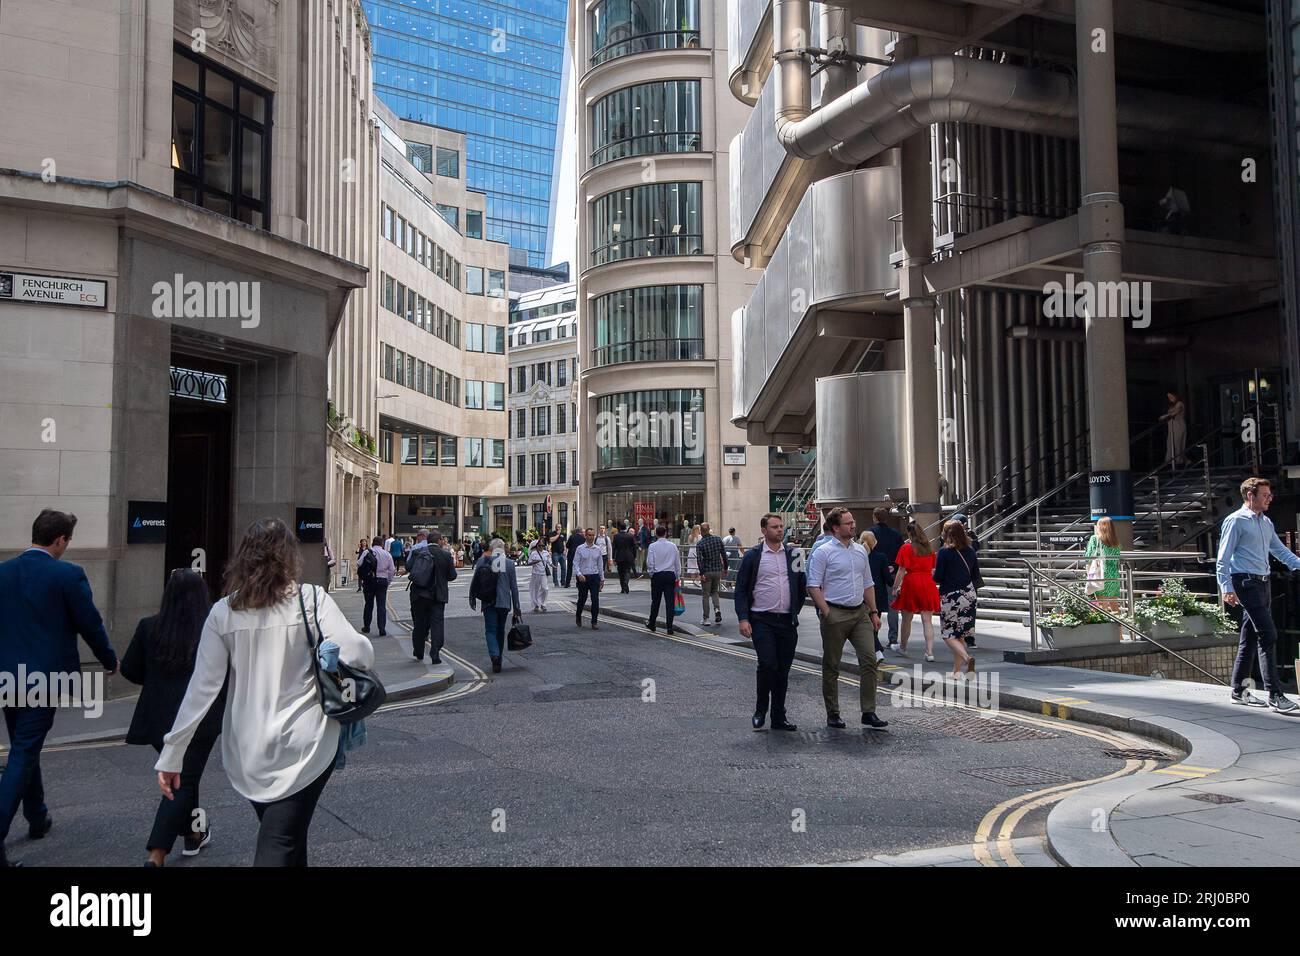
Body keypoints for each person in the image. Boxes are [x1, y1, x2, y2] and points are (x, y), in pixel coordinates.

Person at [157, 517, 374, 867]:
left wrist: (172, 753)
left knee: (284, 836)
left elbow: (201, 689)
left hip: (247, 750)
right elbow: (361, 655)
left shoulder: (222, 613)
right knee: (283, 842)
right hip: (307, 746)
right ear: (289, 557)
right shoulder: (312, 600)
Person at [0, 509, 119, 868]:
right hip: (44, 679)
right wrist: (108, 658)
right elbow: (90, 623)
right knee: (23, 752)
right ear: (60, 540)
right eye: (68, 540)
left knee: (24, 744)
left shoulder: (3, 572)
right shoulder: (67, 574)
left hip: (7, 677)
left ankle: (37, 815)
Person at [123, 569, 225, 866]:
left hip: (158, 719)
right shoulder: (210, 630)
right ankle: (156, 855)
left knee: (183, 779)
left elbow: (130, 670)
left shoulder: (148, 627)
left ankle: (193, 835)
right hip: (200, 720)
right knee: (183, 782)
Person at [1216, 477, 1300, 713]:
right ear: (1250, 496)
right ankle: (1275, 694)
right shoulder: (1235, 521)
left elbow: (1280, 550)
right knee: (1268, 634)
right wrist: (1226, 587)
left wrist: (1298, 564)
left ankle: (1238, 690)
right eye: (1265, 495)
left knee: (1250, 637)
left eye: (1270, 494)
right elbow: (1222, 558)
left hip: (1264, 583)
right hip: (1244, 581)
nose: (1269, 498)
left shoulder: (1266, 523)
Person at [807, 509, 888, 731]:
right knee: (832, 665)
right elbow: (812, 585)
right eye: (848, 523)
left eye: (853, 522)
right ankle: (833, 713)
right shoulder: (823, 552)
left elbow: (867, 583)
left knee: (870, 661)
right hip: (835, 613)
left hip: (860, 613)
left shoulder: (861, 551)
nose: (853, 526)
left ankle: (868, 712)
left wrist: (873, 612)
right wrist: (826, 612)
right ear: (835, 527)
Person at [735, 514, 806, 732]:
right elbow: (741, 589)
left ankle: (778, 716)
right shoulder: (753, 556)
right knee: (768, 665)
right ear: (764, 530)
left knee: (782, 671)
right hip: (762, 620)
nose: (780, 530)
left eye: (781, 526)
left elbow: (801, 587)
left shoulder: (794, 554)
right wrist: (743, 618)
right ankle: (760, 710)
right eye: (775, 527)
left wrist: (794, 611)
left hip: (786, 621)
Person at [933, 521, 979, 679]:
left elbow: (938, 577)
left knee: (948, 634)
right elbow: (975, 575)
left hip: (951, 597)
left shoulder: (944, 553)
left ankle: (967, 658)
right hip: (969, 595)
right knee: (960, 634)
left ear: (946, 534)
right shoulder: (971, 551)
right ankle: (956, 672)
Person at [468, 538, 521, 673]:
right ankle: (499, 659)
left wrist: (472, 598)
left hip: (488, 601)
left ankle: (495, 656)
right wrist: (517, 607)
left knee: (490, 630)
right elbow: (514, 588)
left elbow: (475, 582)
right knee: (500, 630)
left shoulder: (483, 561)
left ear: (491, 549)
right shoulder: (509, 563)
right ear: (503, 549)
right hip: (503, 603)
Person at [892, 523, 941, 661]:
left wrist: (895, 587)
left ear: (909, 534)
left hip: (911, 583)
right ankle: (929, 652)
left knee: (907, 619)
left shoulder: (906, 548)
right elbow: (932, 569)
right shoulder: (929, 548)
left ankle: (903, 647)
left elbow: (901, 570)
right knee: (927, 620)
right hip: (927, 583)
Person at [407, 531, 457, 664]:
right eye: (442, 540)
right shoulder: (445, 555)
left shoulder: (419, 552)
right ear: (439, 540)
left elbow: (408, 567)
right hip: (437, 595)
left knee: (419, 623)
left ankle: (418, 650)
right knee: (437, 624)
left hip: (419, 594)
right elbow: (452, 576)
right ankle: (435, 653)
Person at [867, 509, 903, 648]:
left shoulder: (870, 533)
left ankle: (873, 637)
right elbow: (900, 555)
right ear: (886, 518)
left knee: (873, 606)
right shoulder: (895, 534)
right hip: (891, 573)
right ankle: (893, 638)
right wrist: (893, 566)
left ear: (875, 517)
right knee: (892, 606)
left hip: (873, 575)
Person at [645, 525, 682, 635]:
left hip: (657, 575)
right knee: (670, 602)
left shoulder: (652, 546)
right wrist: (677, 576)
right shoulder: (673, 546)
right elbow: (677, 562)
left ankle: (652, 624)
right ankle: (669, 627)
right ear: (665, 533)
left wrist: (652, 574)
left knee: (655, 601)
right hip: (670, 575)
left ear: (656, 534)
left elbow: (650, 562)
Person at [859, 530, 888, 665]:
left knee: (869, 625)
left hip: (862, 595)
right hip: (878, 595)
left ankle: (875, 650)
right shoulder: (881, 557)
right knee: (874, 623)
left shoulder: (858, 555)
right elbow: (887, 579)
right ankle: (876, 650)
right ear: (874, 542)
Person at [1084, 516, 1123, 614]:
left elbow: (1088, 557)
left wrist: (1089, 574)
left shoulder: (1095, 539)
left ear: (1100, 527)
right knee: (1114, 606)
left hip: (1100, 576)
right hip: (1113, 576)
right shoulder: (1116, 542)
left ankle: (1104, 629)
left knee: (1102, 607)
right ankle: (1120, 629)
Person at [359, 535, 395, 636]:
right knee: (381, 606)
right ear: (382, 544)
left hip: (369, 581)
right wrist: (389, 581)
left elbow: (359, 563)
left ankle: (366, 627)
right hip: (382, 581)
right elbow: (392, 570)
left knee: (368, 604)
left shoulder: (367, 552)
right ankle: (382, 628)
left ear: (372, 543)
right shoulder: (387, 554)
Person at [695, 522, 728, 626]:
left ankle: (706, 619)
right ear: (709, 529)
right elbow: (724, 554)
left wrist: (701, 573)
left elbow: (699, 560)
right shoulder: (718, 539)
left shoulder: (700, 543)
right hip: (718, 570)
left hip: (707, 571)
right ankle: (717, 610)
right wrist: (725, 568)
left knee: (705, 595)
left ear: (701, 530)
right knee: (714, 592)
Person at [572, 528, 606, 629]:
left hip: (594, 576)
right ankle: (578, 615)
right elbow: (575, 563)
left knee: (595, 599)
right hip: (583, 577)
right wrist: (579, 574)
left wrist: (602, 579)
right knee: (582, 599)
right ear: (585, 536)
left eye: (592, 535)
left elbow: (600, 565)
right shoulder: (580, 548)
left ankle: (594, 622)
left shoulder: (598, 549)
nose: (591, 537)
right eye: (589, 535)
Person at [1160, 388, 1188, 469]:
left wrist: (1165, 416)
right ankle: (1172, 462)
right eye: (1168, 397)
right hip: (1172, 427)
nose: (1170, 398)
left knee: (1177, 444)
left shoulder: (1179, 404)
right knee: (1171, 444)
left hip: (1178, 426)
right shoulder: (1171, 406)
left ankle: (1179, 462)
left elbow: (1174, 413)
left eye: (1171, 396)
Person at [527, 537, 552, 612]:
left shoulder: (546, 553)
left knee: (545, 588)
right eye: (539, 546)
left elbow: (549, 562)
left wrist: (553, 566)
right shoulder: (533, 553)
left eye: (542, 546)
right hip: (535, 574)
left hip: (543, 573)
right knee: (535, 590)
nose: (541, 547)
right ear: (536, 546)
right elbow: (529, 563)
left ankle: (543, 604)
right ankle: (536, 605)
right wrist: (535, 562)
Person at [612, 522, 638, 594]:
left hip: (619, 556)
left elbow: (614, 547)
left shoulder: (616, 536)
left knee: (621, 573)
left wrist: (613, 557)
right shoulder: (630, 536)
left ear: (619, 528)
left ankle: (623, 588)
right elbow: (634, 547)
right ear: (626, 528)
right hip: (629, 556)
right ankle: (626, 582)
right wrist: (634, 556)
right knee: (627, 571)